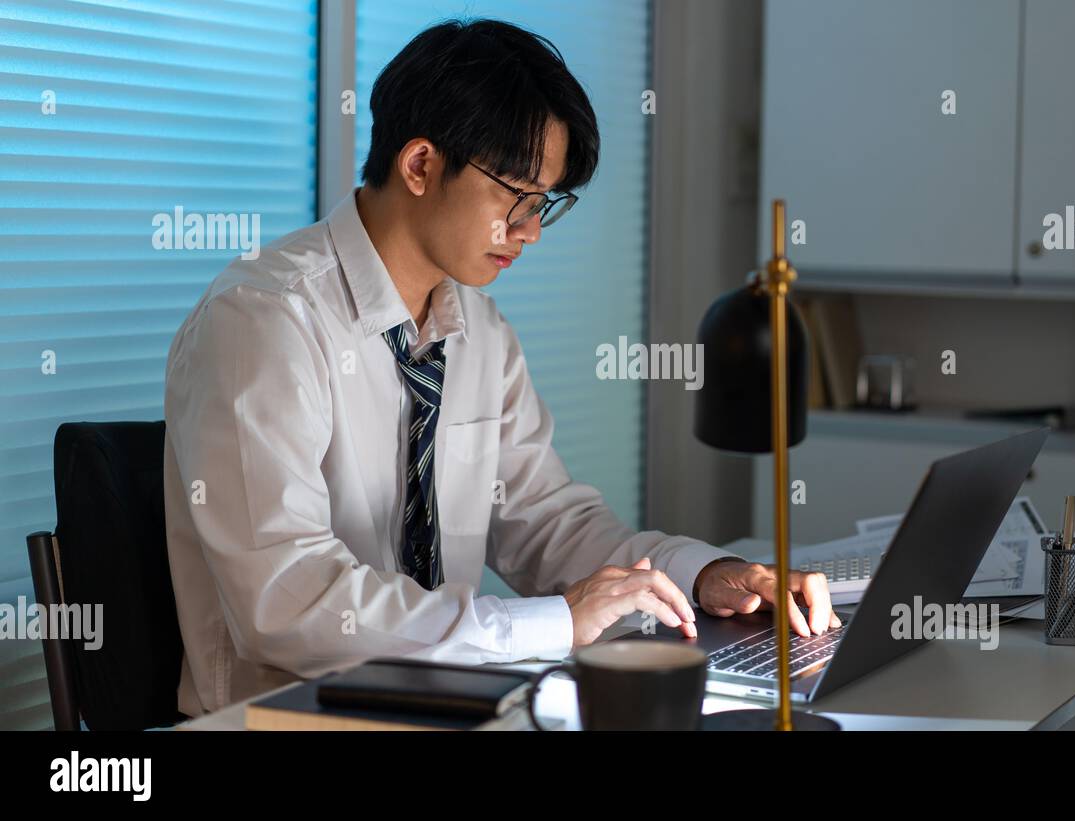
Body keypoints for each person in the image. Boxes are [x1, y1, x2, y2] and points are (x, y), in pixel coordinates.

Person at [162, 18, 836, 717]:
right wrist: (550, 622)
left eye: (545, 203)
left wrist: (707, 575)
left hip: (450, 707)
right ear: (420, 165)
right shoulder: (265, 318)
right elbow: (289, 598)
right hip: (290, 719)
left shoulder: (478, 331)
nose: (532, 230)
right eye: (516, 196)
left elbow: (550, 526)